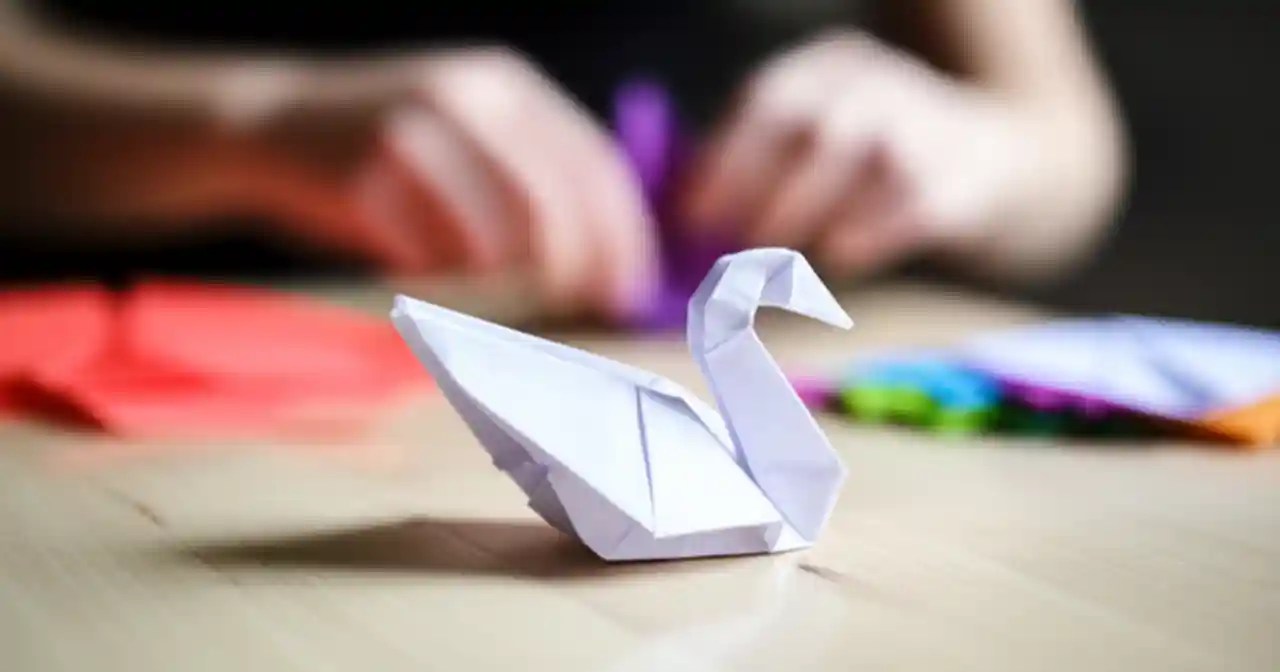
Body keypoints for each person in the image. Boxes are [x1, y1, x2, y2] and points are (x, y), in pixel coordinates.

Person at [0, 0, 1126, 320]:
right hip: (165, 324)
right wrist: (255, 121)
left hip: (679, 339)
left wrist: (977, 148)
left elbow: (1066, 149)